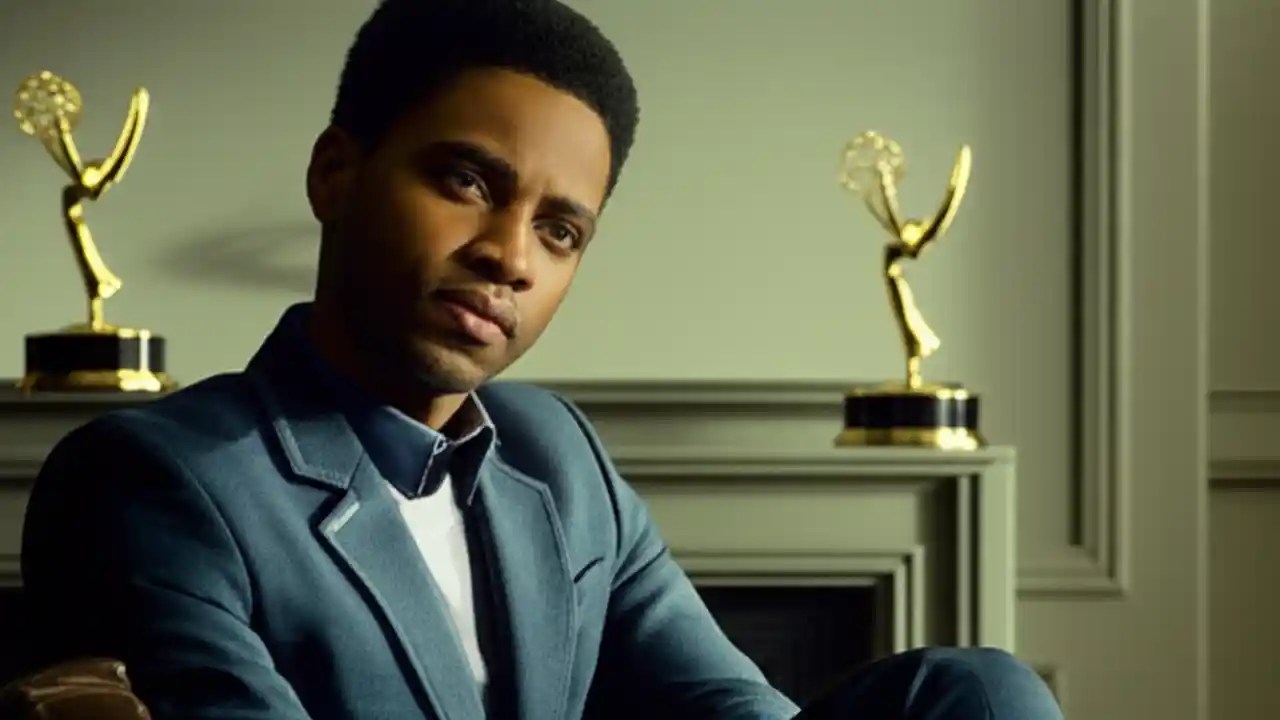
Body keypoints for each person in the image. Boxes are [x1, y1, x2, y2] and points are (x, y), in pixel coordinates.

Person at [19, 1, 1065, 718]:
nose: (508, 256)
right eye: (467, 182)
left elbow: (724, 706)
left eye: (560, 231)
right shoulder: (154, 478)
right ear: (336, 172)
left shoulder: (554, 452)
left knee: (974, 692)